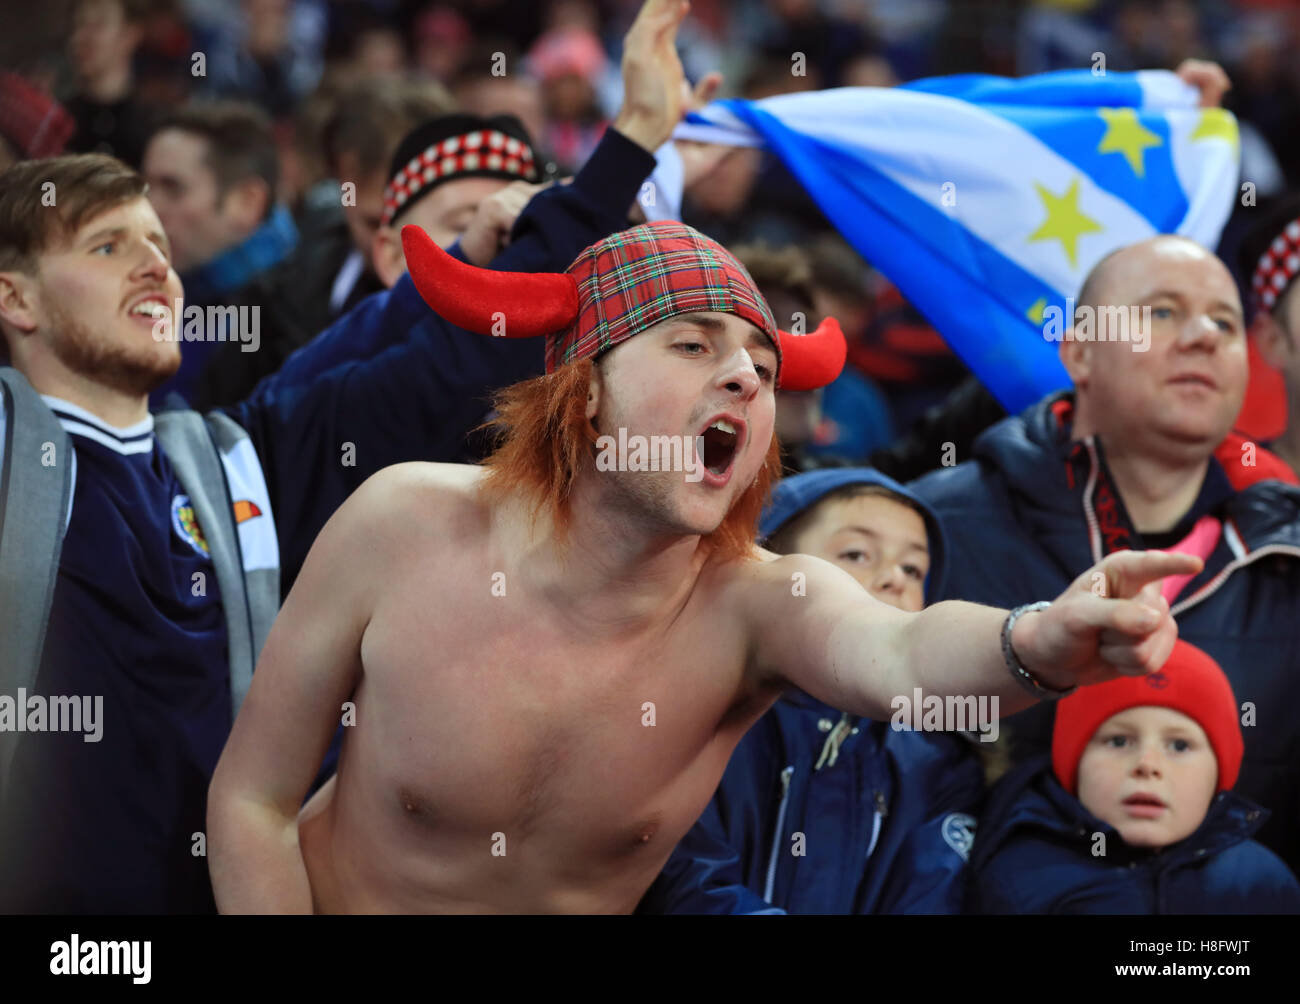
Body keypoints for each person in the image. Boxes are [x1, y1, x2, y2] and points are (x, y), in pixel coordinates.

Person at [207, 215, 1197, 914]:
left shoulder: (755, 604)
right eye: (690, 343)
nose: (741, 376)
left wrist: (1038, 637)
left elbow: (900, 655)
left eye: (763, 371)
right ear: (583, 391)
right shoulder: (403, 521)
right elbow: (252, 799)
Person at [0, 0, 686, 913]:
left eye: (160, 245)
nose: (154, 266)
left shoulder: (232, 464)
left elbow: (428, 362)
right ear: (14, 299)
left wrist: (628, 140)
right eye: (108, 243)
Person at [910, 234, 1300, 874]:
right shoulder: (936, 527)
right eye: (1163, 312)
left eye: (1225, 323)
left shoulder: (1288, 557)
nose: (1203, 336)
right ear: (1081, 351)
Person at [641, 467, 984, 914]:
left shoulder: (937, 761)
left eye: (913, 567)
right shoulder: (694, 715)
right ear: (770, 571)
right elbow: (680, 879)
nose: (893, 578)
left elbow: (931, 895)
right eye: (858, 553)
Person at [966, 640, 1300, 914]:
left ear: (1219, 774)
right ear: (1074, 764)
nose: (1147, 764)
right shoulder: (1018, 879)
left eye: (1180, 745)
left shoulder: (1263, 883)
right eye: (1119, 741)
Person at [141, 100, 305, 409]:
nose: (148, 210)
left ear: (247, 202)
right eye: (145, 189)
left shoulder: (295, 325)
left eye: (173, 189)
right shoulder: (159, 289)